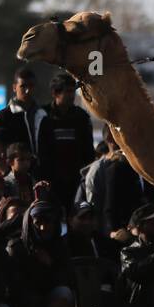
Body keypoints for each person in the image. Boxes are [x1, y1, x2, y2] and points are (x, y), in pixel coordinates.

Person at [6, 199, 76, 307]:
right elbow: (17, 288)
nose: (43, 228)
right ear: (31, 223)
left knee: (65, 295)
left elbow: (68, 278)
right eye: (38, 223)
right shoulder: (17, 248)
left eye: (48, 222)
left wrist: (50, 265)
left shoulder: (58, 246)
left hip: (51, 301)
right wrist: (44, 304)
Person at [37, 72, 96, 212]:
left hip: (76, 181)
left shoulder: (81, 117)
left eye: (73, 91)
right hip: (51, 182)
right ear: (55, 93)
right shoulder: (43, 116)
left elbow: (88, 151)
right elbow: (41, 151)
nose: (72, 95)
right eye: (67, 91)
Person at [0, 67, 47, 154]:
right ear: (14, 87)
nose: (27, 91)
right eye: (23, 86)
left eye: (30, 86)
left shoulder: (43, 115)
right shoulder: (3, 117)